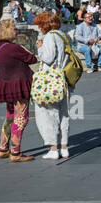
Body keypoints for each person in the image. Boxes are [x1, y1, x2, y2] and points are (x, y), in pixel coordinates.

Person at [0, 17, 37, 162]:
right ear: (7, 31)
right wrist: (26, 50)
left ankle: (3, 148)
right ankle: (15, 152)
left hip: (6, 84)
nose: (16, 31)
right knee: (21, 118)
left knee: (10, 116)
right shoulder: (14, 48)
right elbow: (32, 59)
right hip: (18, 85)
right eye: (14, 29)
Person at [32, 10, 72, 161]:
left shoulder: (49, 37)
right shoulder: (62, 35)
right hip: (62, 79)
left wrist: (40, 47)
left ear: (44, 25)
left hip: (50, 80)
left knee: (47, 114)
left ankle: (53, 148)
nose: (38, 28)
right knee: (63, 113)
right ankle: (64, 147)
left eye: (39, 25)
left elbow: (48, 58)